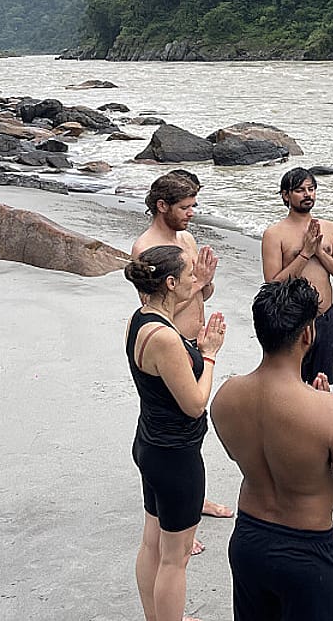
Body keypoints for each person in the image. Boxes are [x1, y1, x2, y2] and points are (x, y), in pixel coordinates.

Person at [210, 278, 333, 621]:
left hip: (249, 541)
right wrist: (331, 426)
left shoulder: (225, 398)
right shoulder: (325, 411)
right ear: (308, 334)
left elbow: (242, 455)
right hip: (307, 553)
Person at [124, 245, 228, 621]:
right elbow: (195, 404)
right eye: (189, 276)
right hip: (175, 456)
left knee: (152, 542)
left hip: (150, 443)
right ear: (170, 283)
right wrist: (211, 354)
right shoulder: (165, 338)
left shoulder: (141, 319)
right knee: (176, 557)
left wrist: (194, 349)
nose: (195, 281)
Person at [134, 171, 233, 524]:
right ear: (162, 206)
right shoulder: (146, 249)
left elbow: (201, 293)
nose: (192, 212)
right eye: (185, 207)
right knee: (170, 426)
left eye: (193, 206)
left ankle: (192, 498)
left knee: (193, 433)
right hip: (169, 346)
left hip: (195, 340)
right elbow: (158, 309)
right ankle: (175, 517)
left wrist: (206, 284)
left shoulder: (188, 239)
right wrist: (200, 283)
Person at [261, 167, 333, 385]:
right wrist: (305, 253)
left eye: (311, 189)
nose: (308, 194)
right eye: (300, 190)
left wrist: (320, 252)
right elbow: (272, 284)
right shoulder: (275, 234)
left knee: (321, 382)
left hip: (325, 317)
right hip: (291, 319)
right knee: (288, 382)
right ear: (286, 195)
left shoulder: (330, 229)